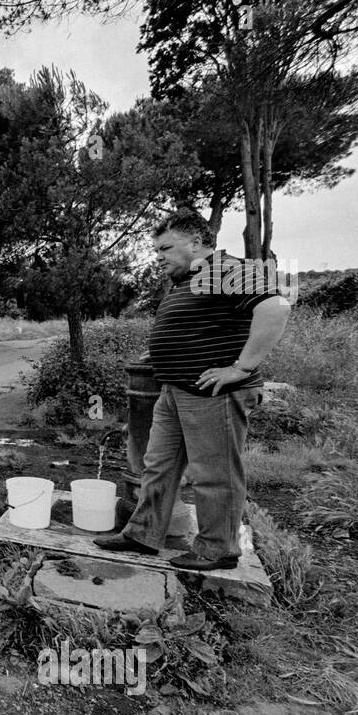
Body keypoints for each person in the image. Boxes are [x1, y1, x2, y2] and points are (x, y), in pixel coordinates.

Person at [95, 209, 292, 570]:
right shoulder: (190, 279)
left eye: (166, 248)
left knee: (214, 474)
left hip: (211, 394)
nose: (160, 257)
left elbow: (275, 307)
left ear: (197, 243)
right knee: (158, 466)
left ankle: (218, 549)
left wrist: (241, 367)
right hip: (175, 390)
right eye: (157, 250)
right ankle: (142, 534)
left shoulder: (224, 269)